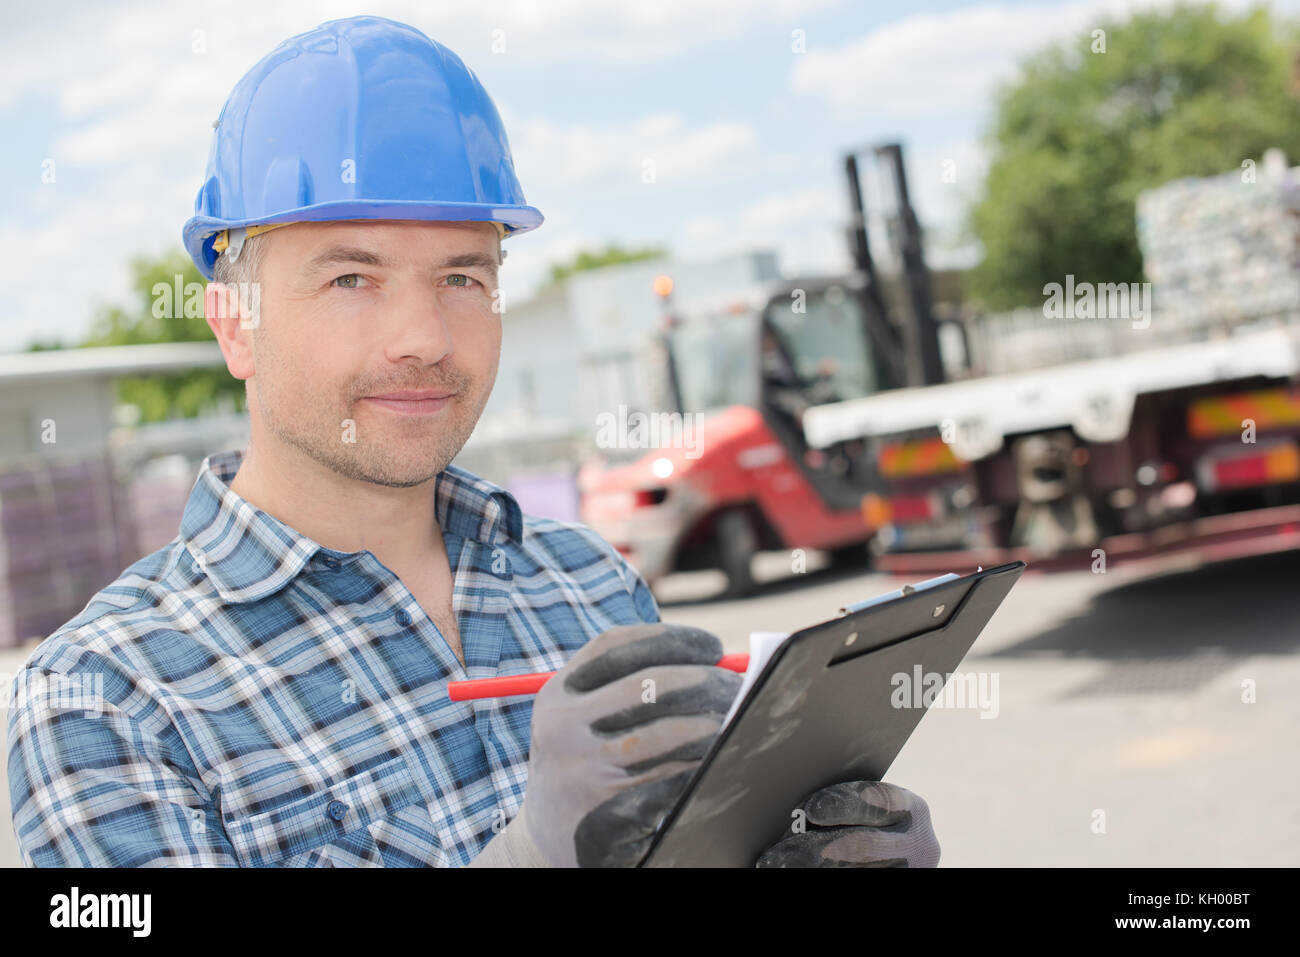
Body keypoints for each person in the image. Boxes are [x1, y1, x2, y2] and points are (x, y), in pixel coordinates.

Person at [6, 15, 939, 868]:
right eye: (351, 279)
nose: (424, 337)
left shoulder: (593, 585)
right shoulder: (106, 700)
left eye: (462, 274)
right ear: (234, 322)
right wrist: (532, 853)